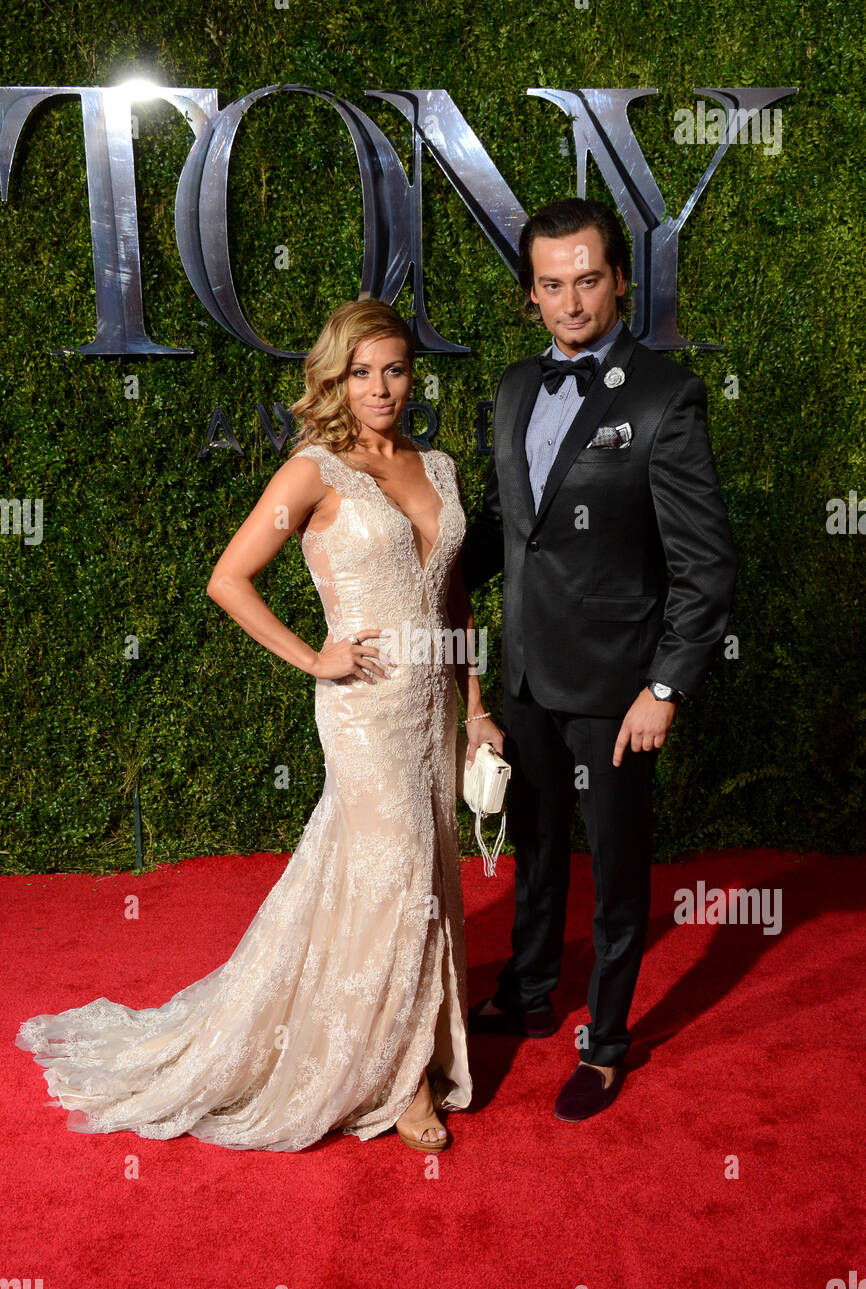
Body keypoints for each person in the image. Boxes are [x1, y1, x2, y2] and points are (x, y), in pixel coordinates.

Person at [15, 298, 504, 1154]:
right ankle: (403, 1081)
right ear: (336, 379)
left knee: (421, 871)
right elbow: (229, 579)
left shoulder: (441, 467)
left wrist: (476, 709)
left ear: (411, 372)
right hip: (364, 711)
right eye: (361, 373)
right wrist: (316, 658)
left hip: (433, 709)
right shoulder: (313, 472)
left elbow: (455, 597)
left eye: (393, 368)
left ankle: (408, 1040)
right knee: (396, 878)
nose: (380, 387)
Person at [460, 198, 737, 1121]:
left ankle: (608, 1043)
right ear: (529, 295)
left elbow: (705, 562)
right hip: (529, 674)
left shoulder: (666, 395)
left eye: (587, 279)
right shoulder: (510, 388)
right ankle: (531, 994)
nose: (571, 301)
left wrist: (665, 685)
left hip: (620, 688)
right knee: (536, 853)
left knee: (615, 873)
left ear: (619, 279)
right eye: (551, 284)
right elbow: (507, 529)